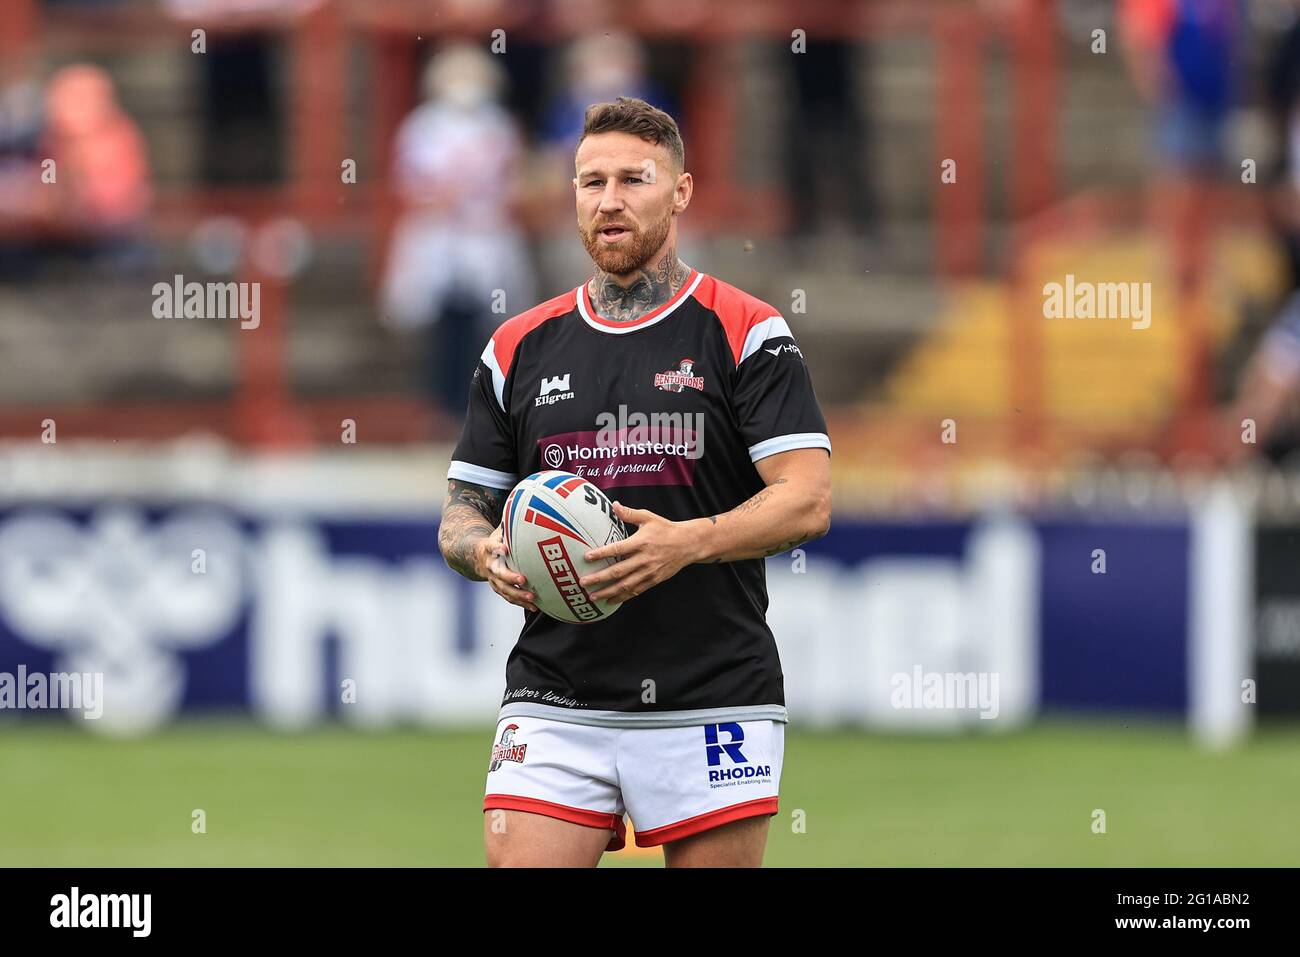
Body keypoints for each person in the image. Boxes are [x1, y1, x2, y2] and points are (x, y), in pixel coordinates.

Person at [437, 97, 832, 867]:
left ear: (680, 191)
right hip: (557, 693)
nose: (608, 200)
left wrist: (687, 543)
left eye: (632, 179)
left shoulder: (745, 331)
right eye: (590, 182)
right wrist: (484, 553)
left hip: (713, 690)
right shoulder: (518, 346)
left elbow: (808, 498)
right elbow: (462, 510)